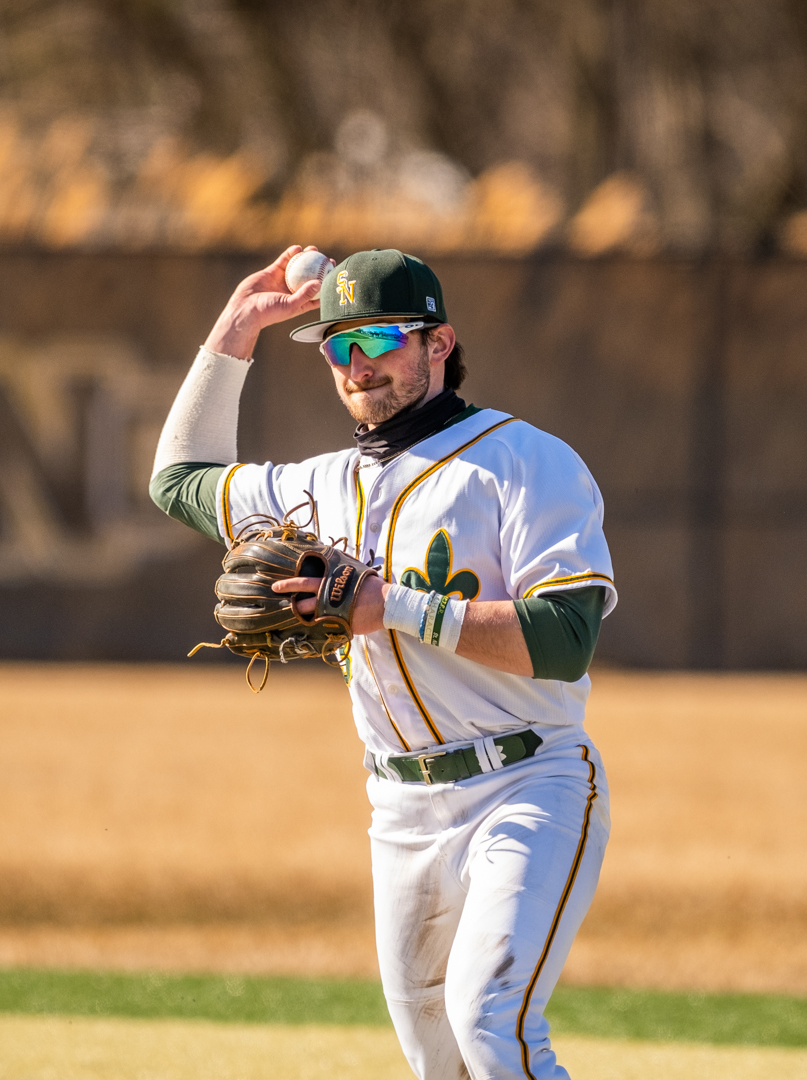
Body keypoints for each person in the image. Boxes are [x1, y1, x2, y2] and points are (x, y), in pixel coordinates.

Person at [149, 245, 615, 1080]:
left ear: (439, 344)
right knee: (440, 1064)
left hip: (526, 784)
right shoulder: (316, 485)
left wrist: (387, 605)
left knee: (490, 1026)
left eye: (380, 340)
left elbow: (564, 637)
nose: (357, 364)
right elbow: (179, 480)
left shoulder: (525, 462)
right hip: (399, 805)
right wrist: (238, 328)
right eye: (338, 345)